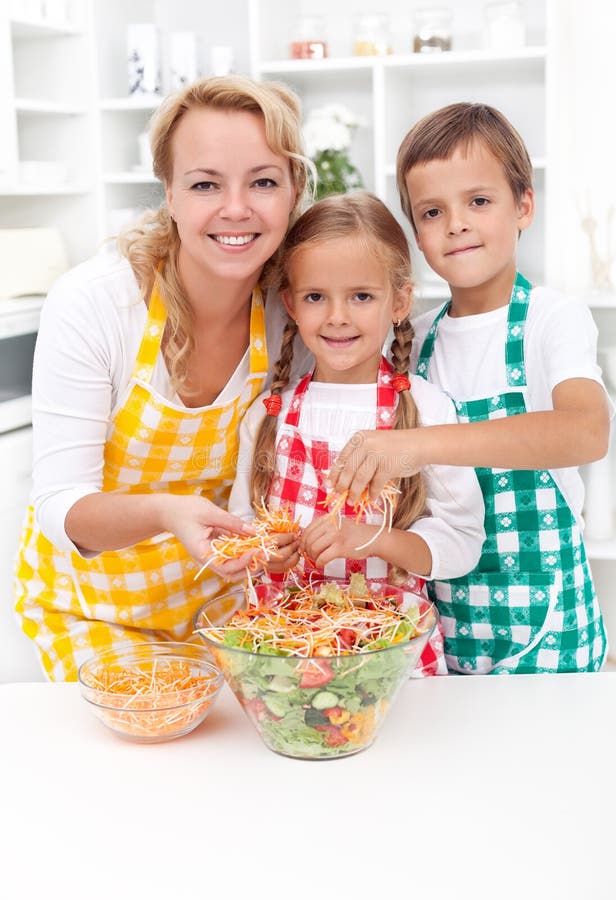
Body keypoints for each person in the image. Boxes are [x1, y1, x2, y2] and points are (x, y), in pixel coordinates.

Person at [14, 75, 314, 681]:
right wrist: (165, 512)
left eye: (262, 182)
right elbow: (59, 505)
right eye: (205, 184)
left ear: (294, 191)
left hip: (226, 607)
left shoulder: (293, 310)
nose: (236, 208)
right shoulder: (99, 303)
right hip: (93, 610)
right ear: (170, 196)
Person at [328, 102, 610, 674]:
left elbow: (586, 432)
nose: (456, 223)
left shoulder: (552, 319)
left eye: (479, 202)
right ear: (416, 234)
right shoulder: (415, 339)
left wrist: (419, 445)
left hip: (549, 634)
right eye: (432, 211)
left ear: (523, 206)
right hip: (442, 629)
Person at [228, 191, 486, 675]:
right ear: (291, 303)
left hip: (392, 655)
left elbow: (462, 543)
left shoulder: (424, 409)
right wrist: (268, 554)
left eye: (362, 296)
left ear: (399, 301)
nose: (338, 316)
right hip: (286, 655)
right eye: (315, 297)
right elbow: (243, 530)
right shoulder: (268, 416)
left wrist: (370, 539)